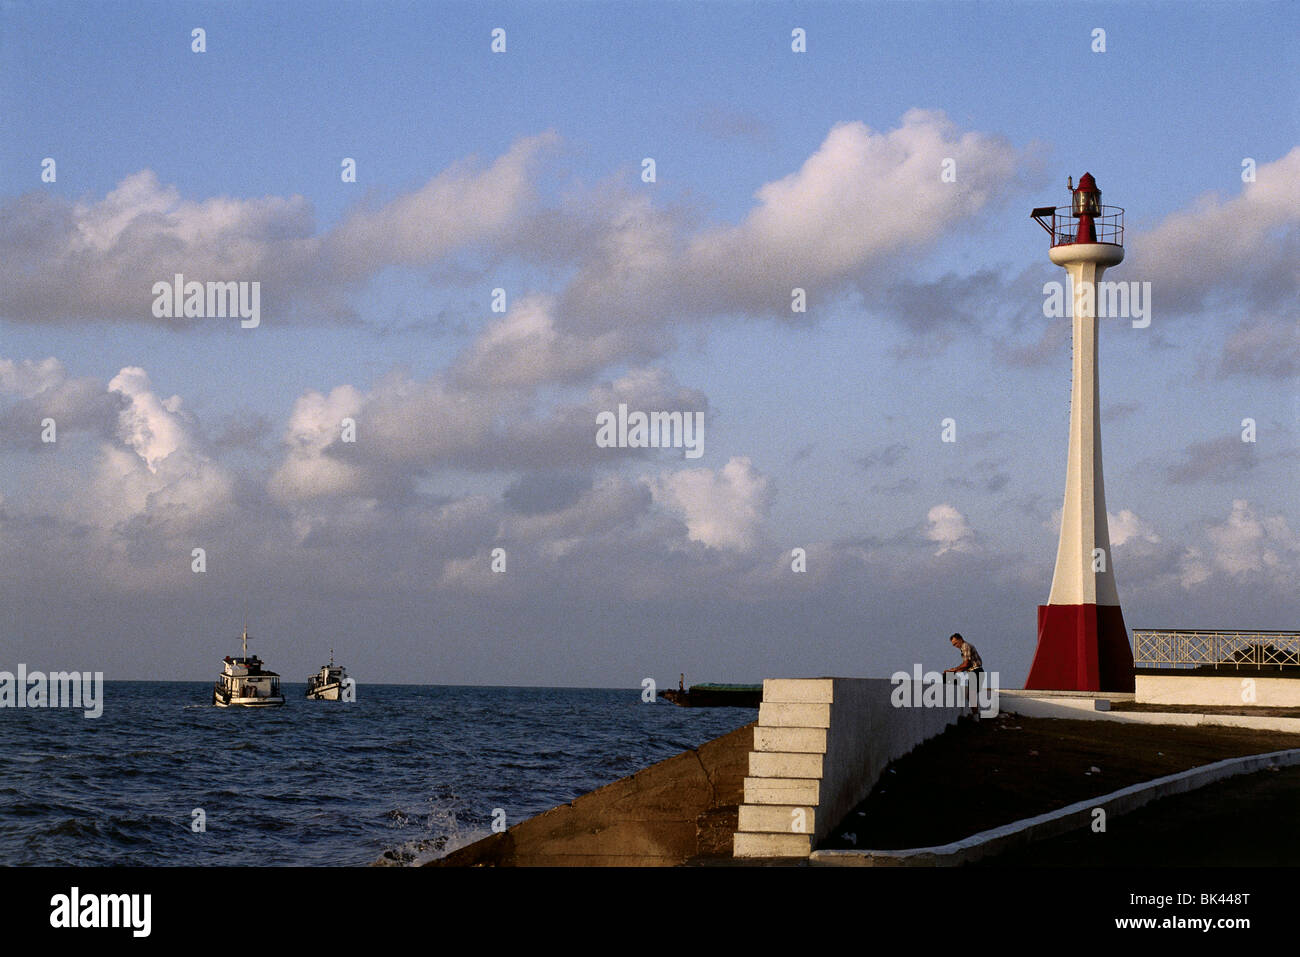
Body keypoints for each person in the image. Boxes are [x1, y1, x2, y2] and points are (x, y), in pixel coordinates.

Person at [943, 633, 983, 716]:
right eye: (953, 645)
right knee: (971, 695)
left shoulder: (965, 646)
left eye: (955, 643)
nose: (955, 646)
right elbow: (967, 666)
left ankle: (976, 718)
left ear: (960, 639)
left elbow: (966, 664)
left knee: (971, 696)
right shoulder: (964, 647)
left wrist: (954, 669)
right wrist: (954, 671)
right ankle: (976, 716)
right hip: (974, 672)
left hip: (976, 672)